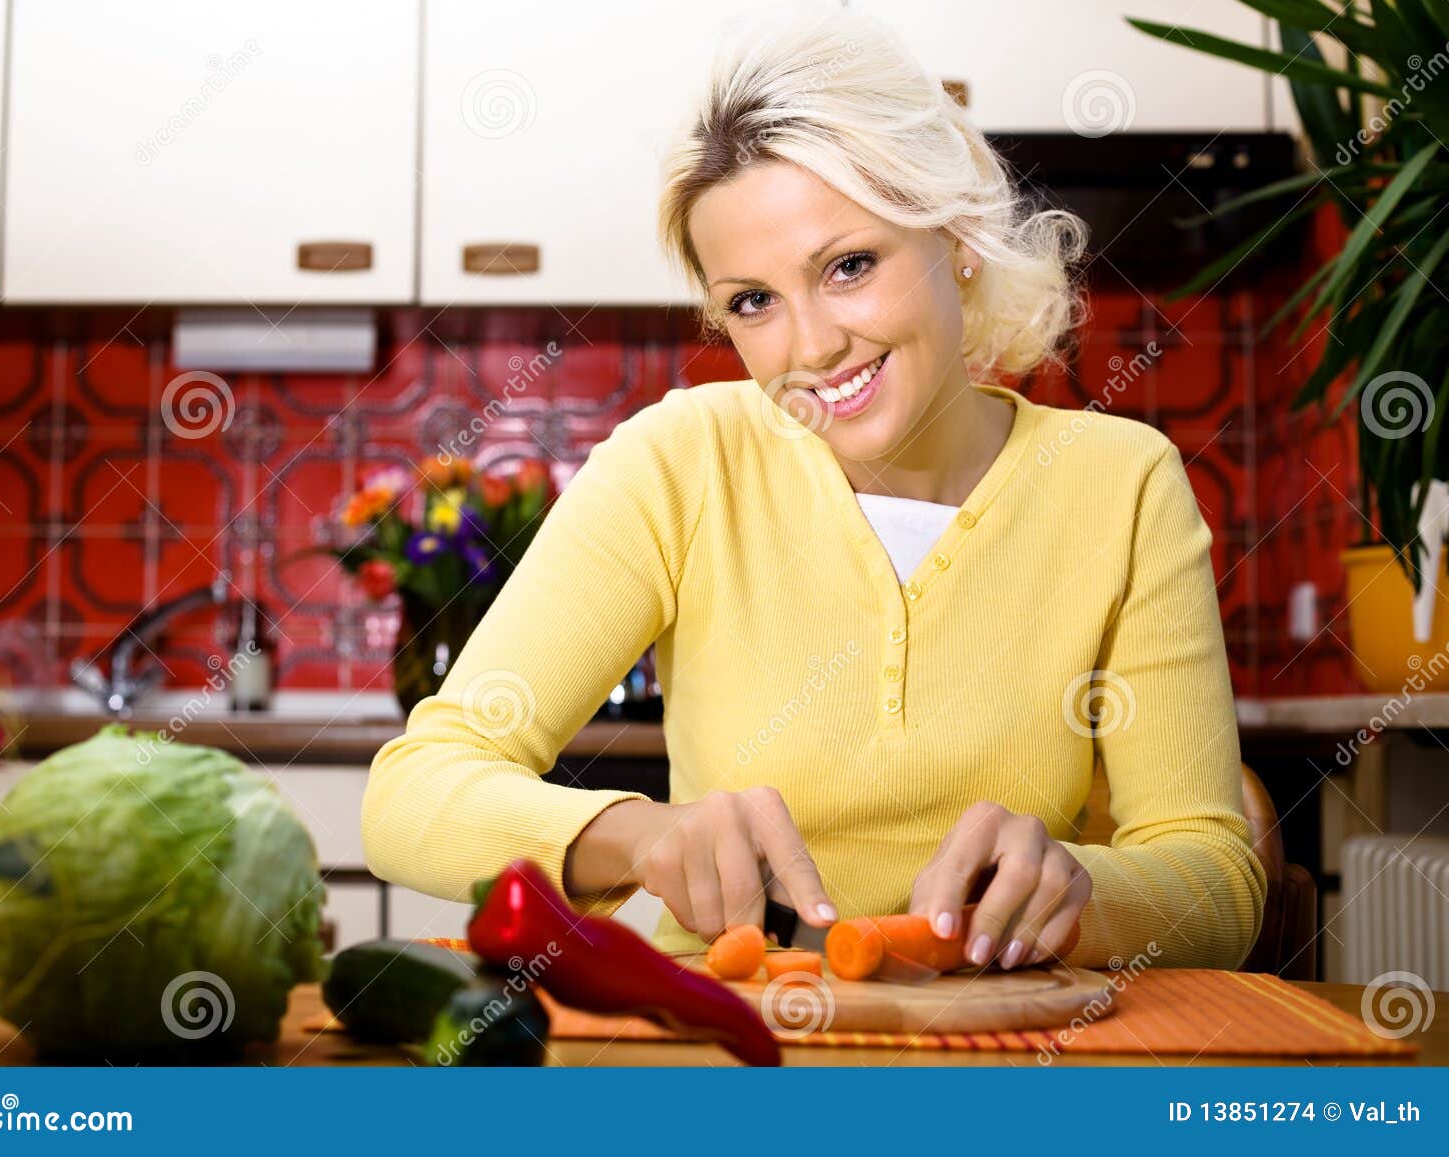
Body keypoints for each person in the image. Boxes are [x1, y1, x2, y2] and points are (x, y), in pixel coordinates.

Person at [361, 3, 1266, 971]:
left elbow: (1215, 874)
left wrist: (1080, 891)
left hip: (1014, 1036)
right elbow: (411, 792)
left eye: (847, 266)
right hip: (736, 1039)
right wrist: (640, 835)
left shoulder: (1117, 483)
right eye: (752, 301)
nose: (810, 347)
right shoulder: (678, 462)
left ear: (955, 234)